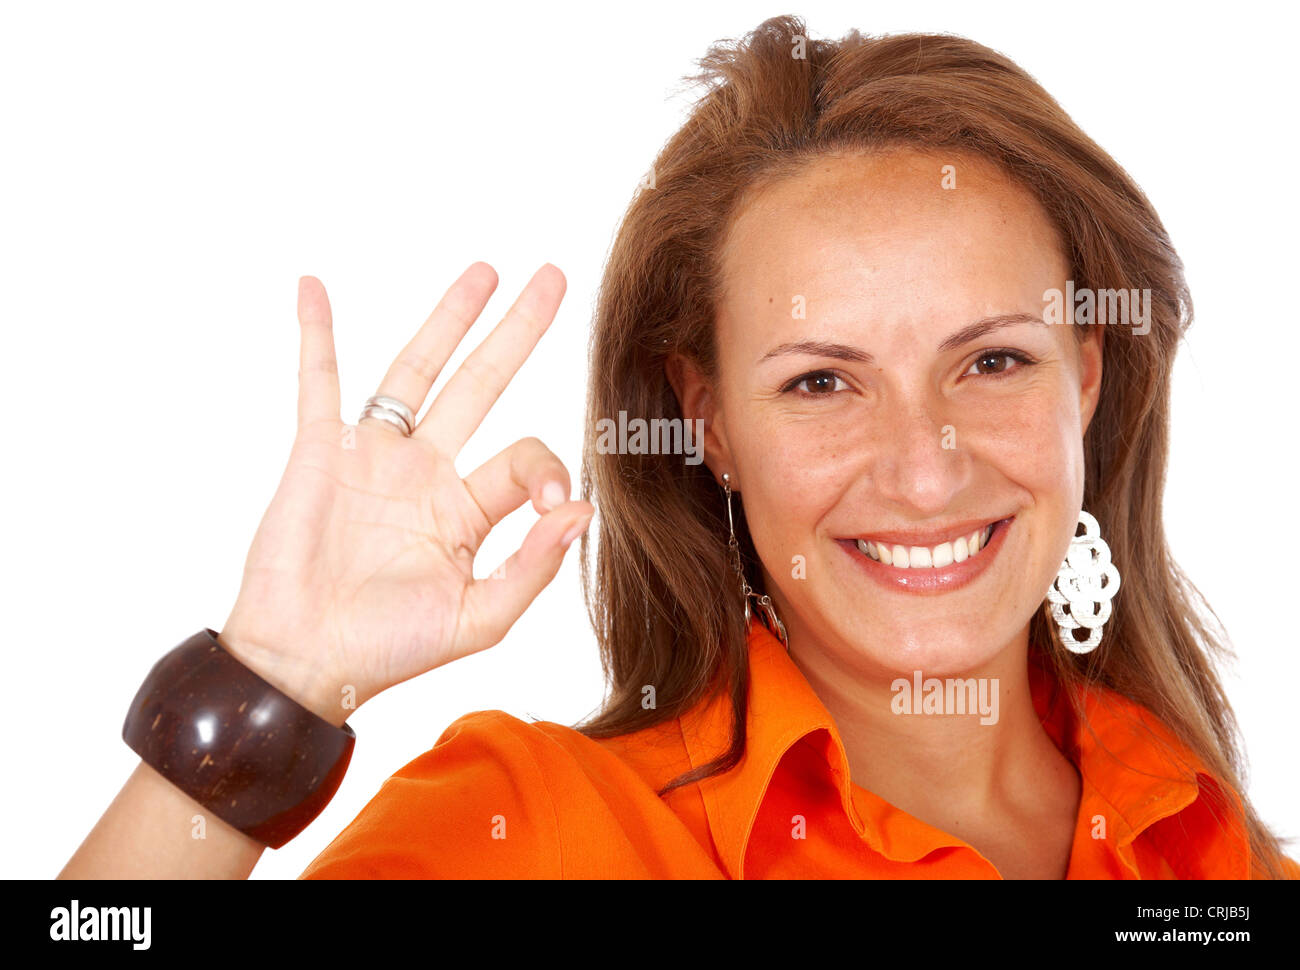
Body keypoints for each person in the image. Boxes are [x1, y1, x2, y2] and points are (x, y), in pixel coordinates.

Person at [61, 15, 1296, 879]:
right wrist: (268, 681)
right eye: (821, 382)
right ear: (709, 425)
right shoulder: (543, 830)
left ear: (1085, 377)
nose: (925, 468)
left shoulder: (1215, 853)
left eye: (991, 361)